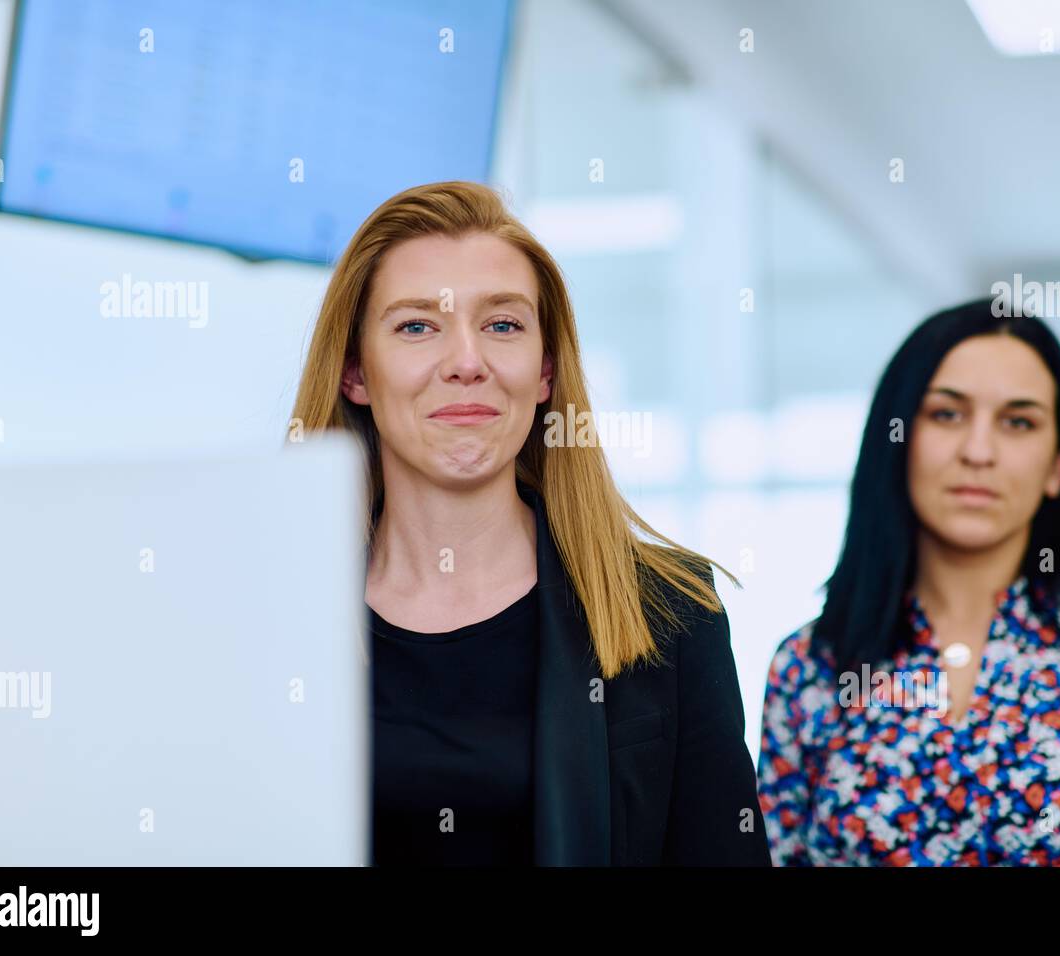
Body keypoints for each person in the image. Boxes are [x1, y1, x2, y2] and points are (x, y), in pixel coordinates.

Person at [289, 180, 770, 866]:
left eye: (503, 325)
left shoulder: (670, 614)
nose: (465, 363)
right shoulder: (270, 615)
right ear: (356, 373)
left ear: (544, 371)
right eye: (417, 325)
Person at [757, 298, 1060, 866]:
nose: (979, 451)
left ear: (1058, 466)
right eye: (947, 414)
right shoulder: (810, 664)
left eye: (1018, 422)